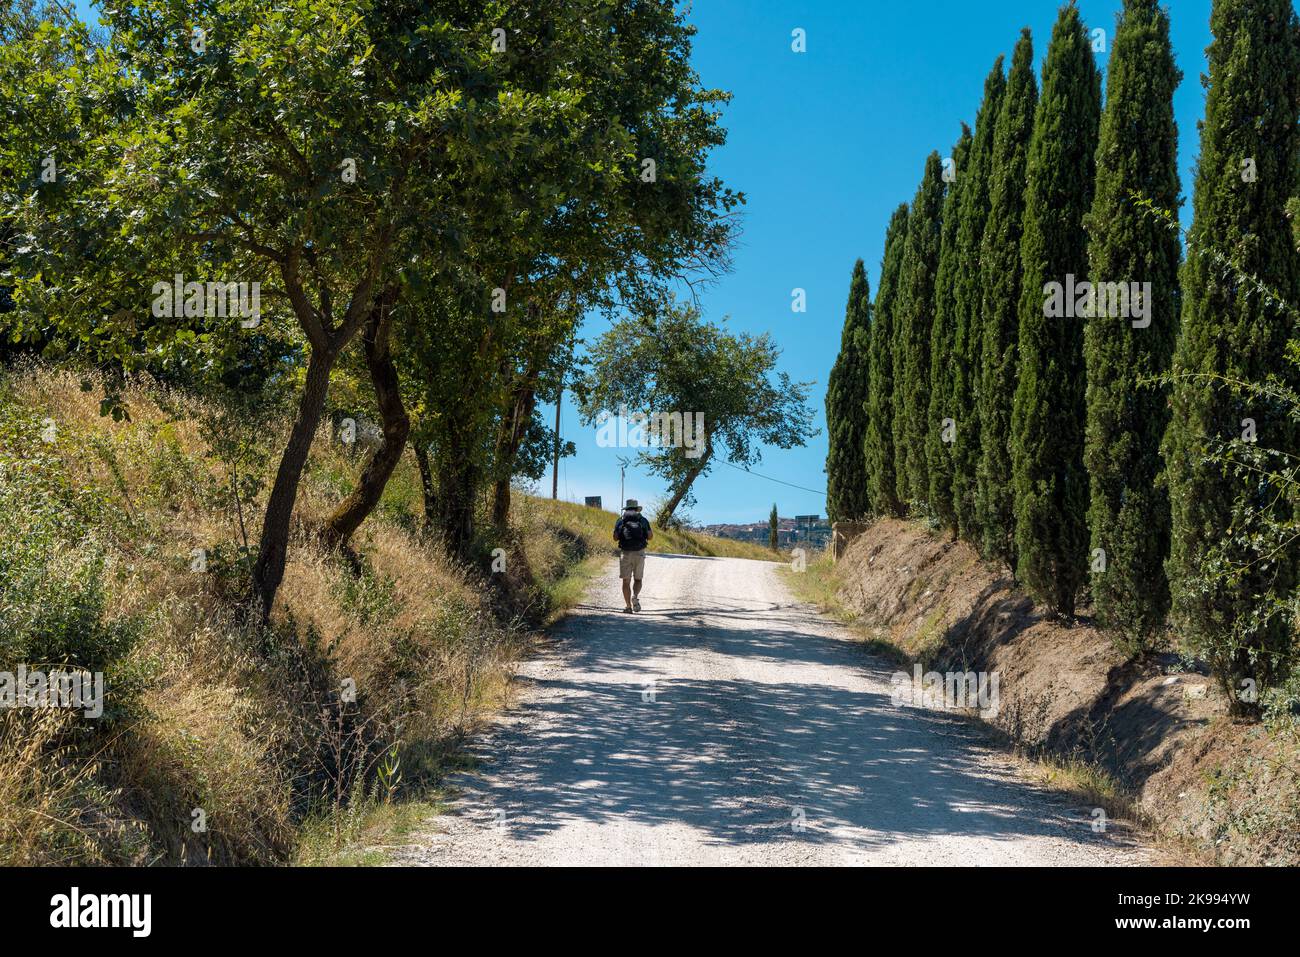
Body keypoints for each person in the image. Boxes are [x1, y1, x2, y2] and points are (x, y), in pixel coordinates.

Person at [613, 499, 653, 613]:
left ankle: (628, 607)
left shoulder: (620, 520)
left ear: (626, 509)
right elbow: (650, 536)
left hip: (625, 552)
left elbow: (615, 537)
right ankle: (635, 596)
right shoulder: (642, 520)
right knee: (638, 579)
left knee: (626, 581)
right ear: (637, 509)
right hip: (639, 552)